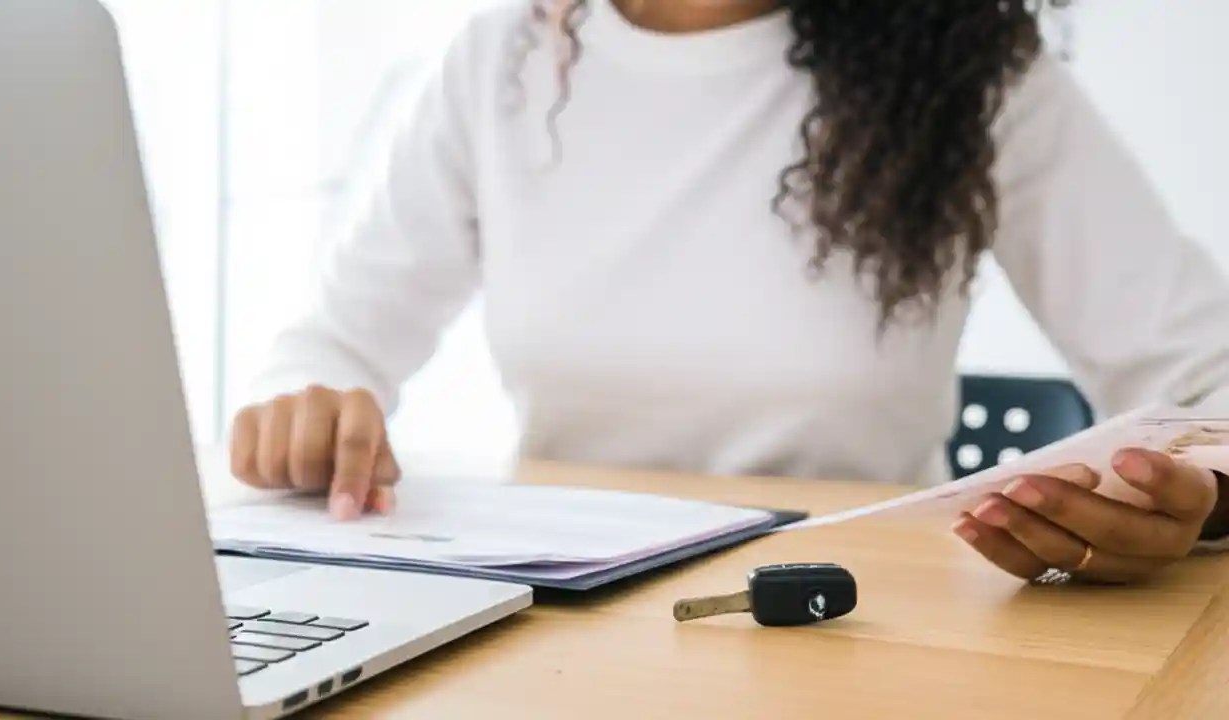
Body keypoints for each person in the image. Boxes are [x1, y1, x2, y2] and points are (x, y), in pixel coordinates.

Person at [228, 0, 1229, 583]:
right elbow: (335, 344)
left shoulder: (967, 63)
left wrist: (1205, 501)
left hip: (857, 616)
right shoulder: (507, 54)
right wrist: (308, 403)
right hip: (553, 624)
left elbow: (1209, 375)